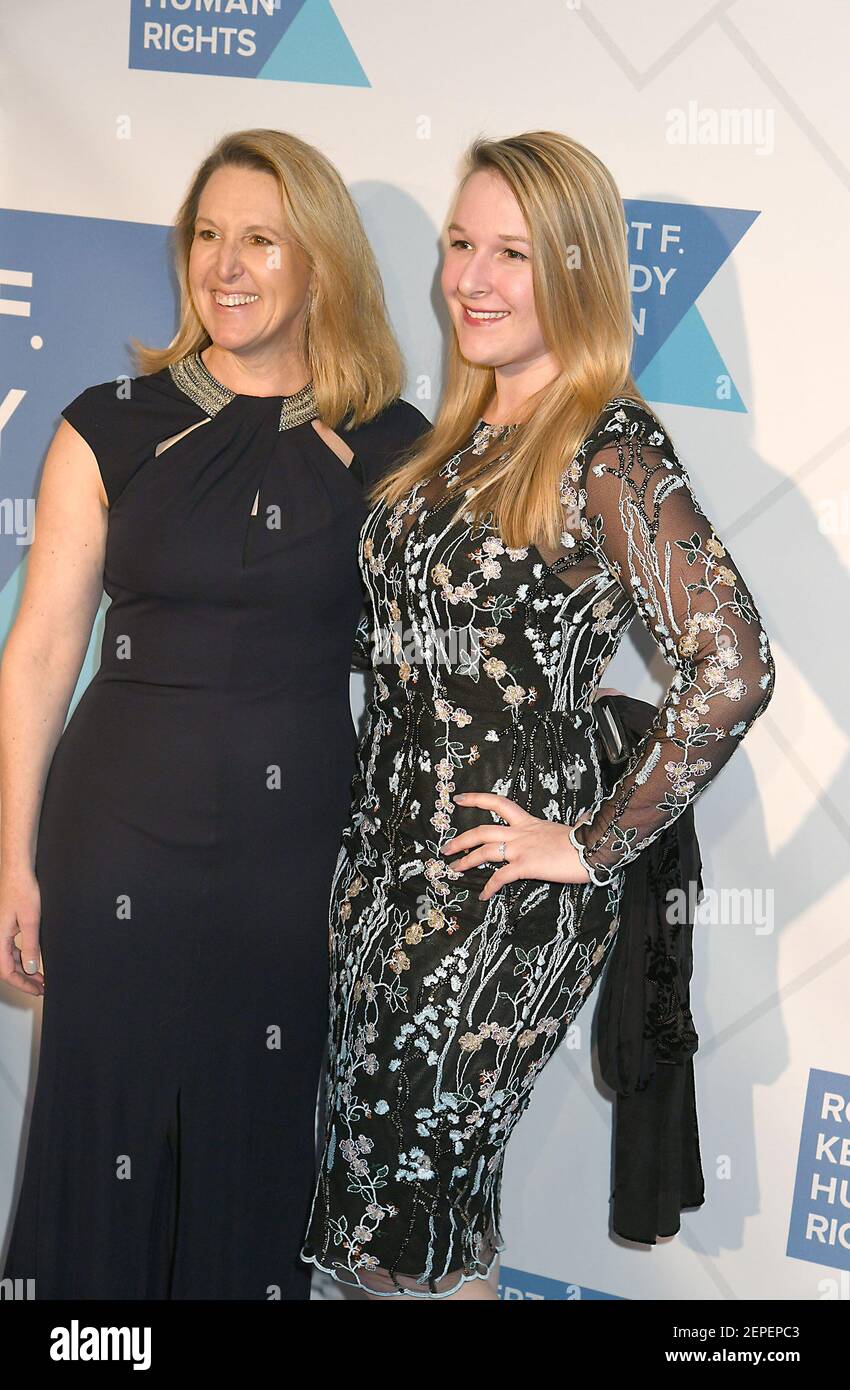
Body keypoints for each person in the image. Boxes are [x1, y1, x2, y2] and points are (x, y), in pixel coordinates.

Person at [299, 130, 775, 1299]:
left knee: (401, 1232)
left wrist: (589, 840)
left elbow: (731, 662)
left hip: (488, 896)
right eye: (462, 243)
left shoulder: (607, 447)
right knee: (415, 1225)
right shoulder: (460, 437)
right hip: (382, 871)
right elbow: (435, 646)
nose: (469, 277)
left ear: (576, 267)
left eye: (510, 252)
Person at [0, 128, 429, 1299]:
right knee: (103, 1130)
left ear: (321, 262)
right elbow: (40, 650)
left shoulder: (395, 448)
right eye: (205, 235)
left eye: (259, 239)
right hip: (113, 835)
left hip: (293, 858)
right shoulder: (111, 423)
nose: (223, 266)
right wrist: (10, 858)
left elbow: (440, 677)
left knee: (255, 1141)